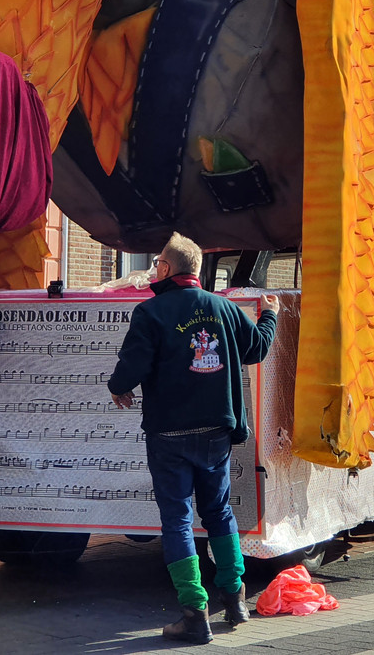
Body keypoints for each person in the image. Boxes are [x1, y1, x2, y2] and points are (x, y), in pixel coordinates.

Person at [108, 233, 279, 645]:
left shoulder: (150, 312)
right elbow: (257, 348)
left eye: (157, 263)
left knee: (177, 520)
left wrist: (119, 387)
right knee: (218, 512)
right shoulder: (224, 308)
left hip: (168, 435)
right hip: (216, 431)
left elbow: (131, 366)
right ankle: (235, 600)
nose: (154, 269)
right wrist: (270, 315)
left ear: (167, 268)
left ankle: (194, 613)